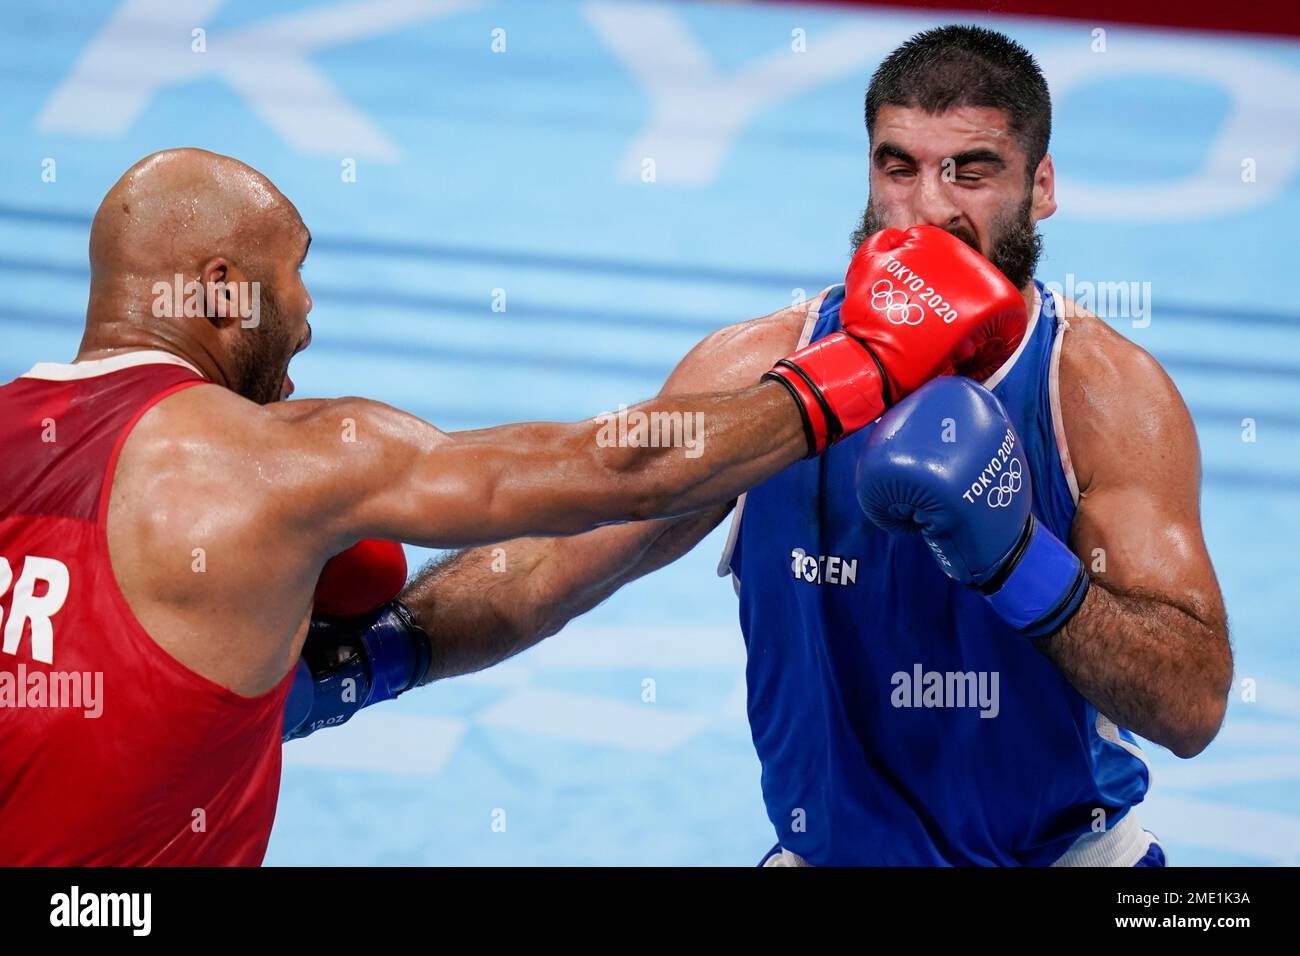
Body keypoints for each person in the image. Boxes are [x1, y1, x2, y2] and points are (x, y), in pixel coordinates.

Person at [0, 146, 1020, 864]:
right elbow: (617, 468)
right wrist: (864, 364)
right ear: (221, 292)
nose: (308, 315)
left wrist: (351, 667)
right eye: (294, 275)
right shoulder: (280, 462)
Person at [374, 25, 1232, 866]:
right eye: (900, 168)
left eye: (971, 171)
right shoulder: (756, 373)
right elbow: (549, 567)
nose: (930, 207)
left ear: (1041, 186)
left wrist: (1018, 564)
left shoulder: (1099, 396)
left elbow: (1191, 705)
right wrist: (374, 656)